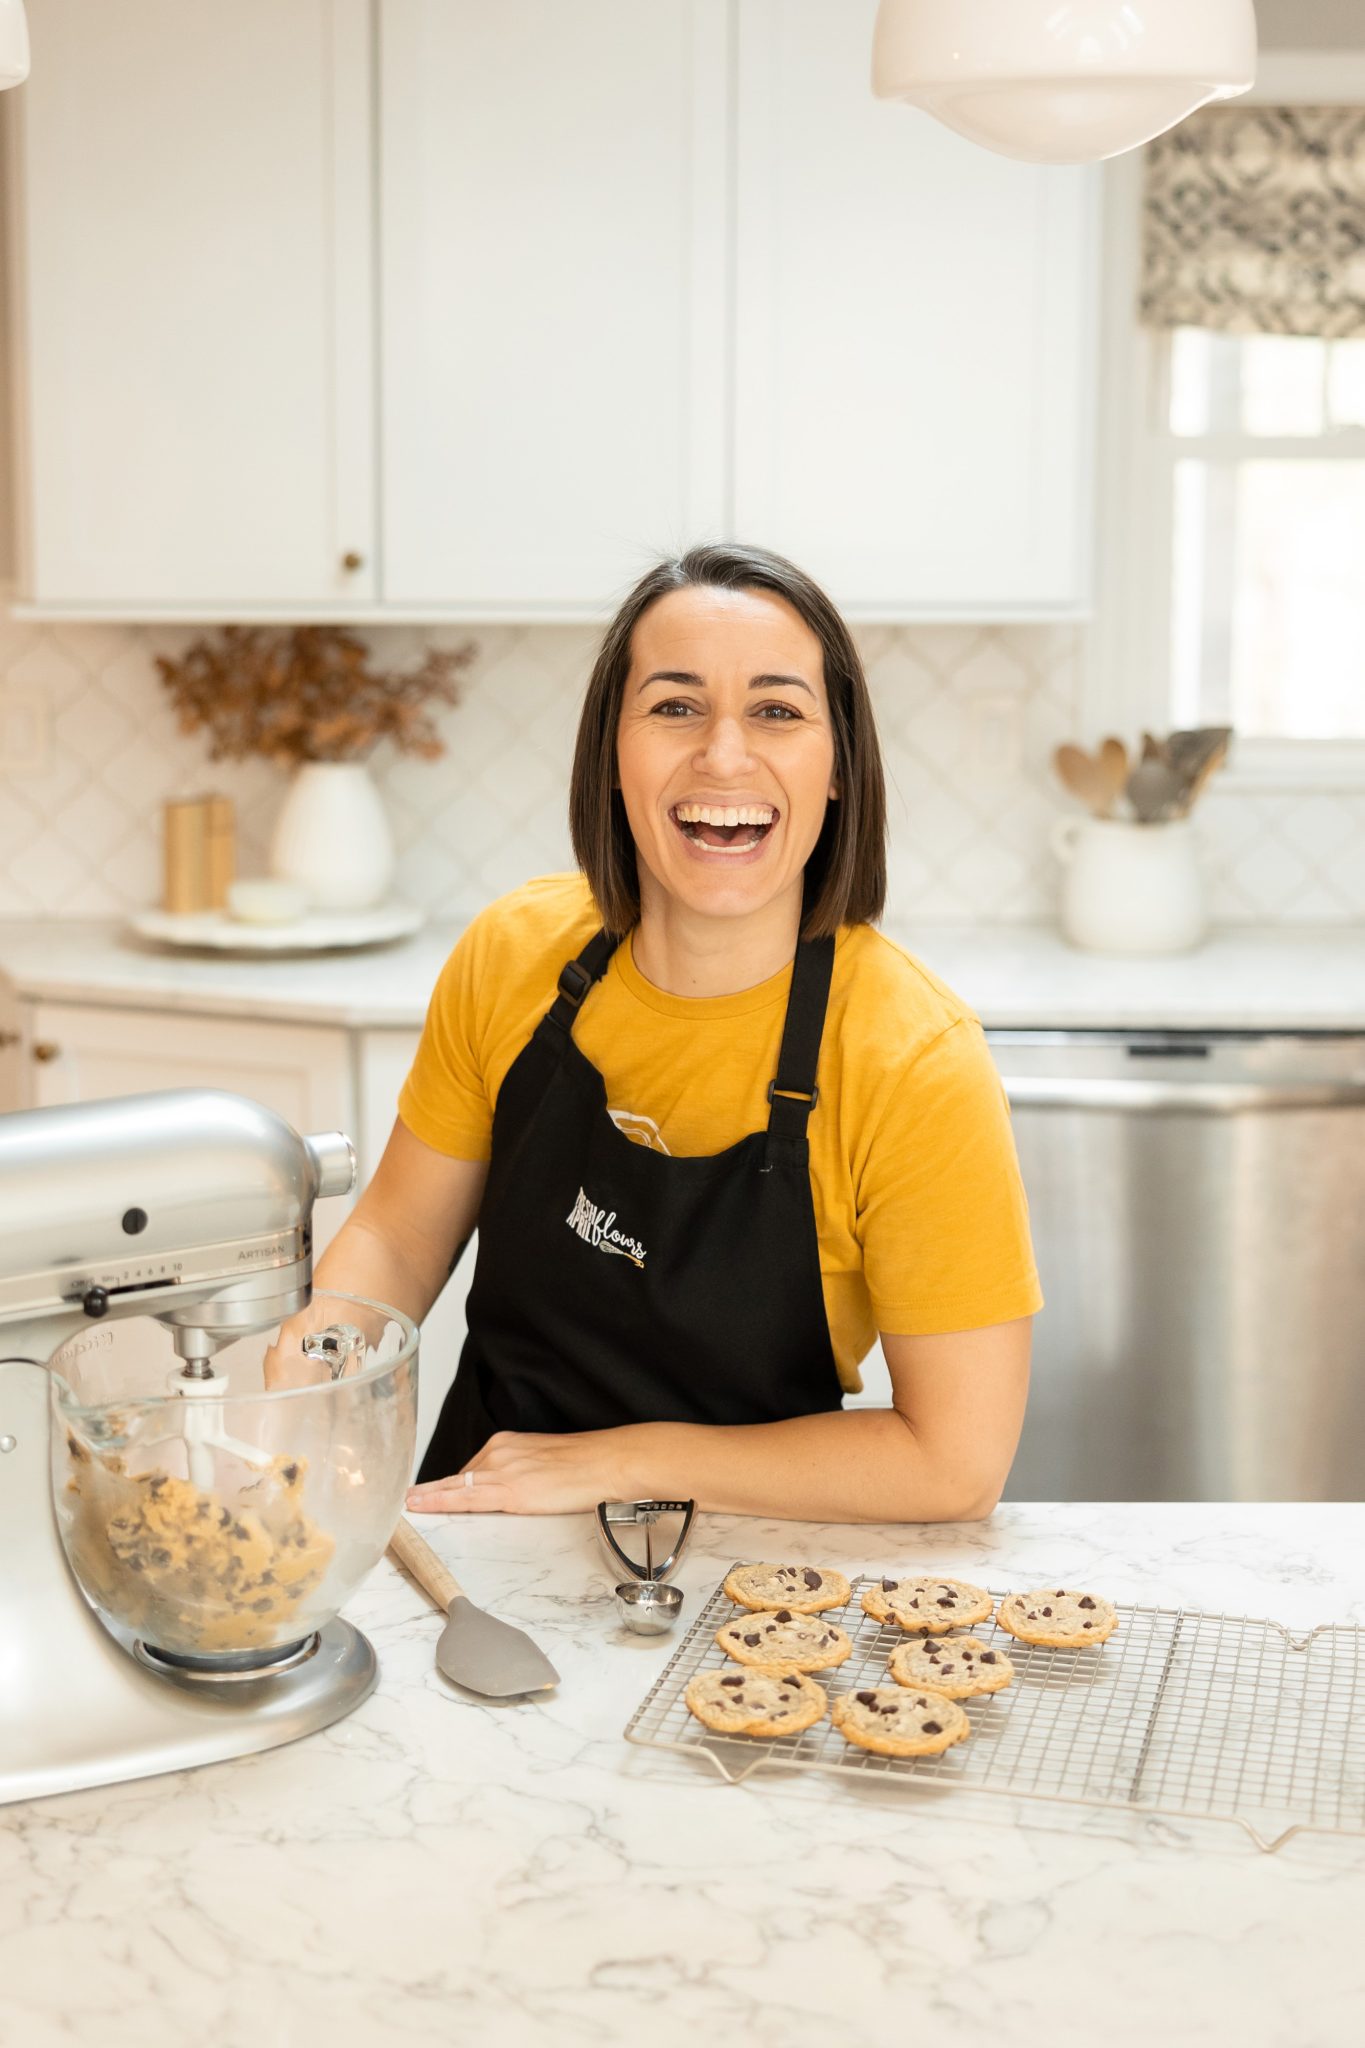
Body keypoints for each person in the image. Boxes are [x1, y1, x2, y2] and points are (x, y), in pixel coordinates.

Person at [306, 542, 1042, 1521]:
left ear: (837, 768)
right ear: (612, 755)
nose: (723, 755)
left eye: (777, 710)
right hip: (480, 1523)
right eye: (674, 706)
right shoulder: (512, 955)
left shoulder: (912, 1060)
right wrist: (323, 1353)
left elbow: (954, 1464)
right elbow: (397, 1237)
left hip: (761, 1556)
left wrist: (621, 1462)